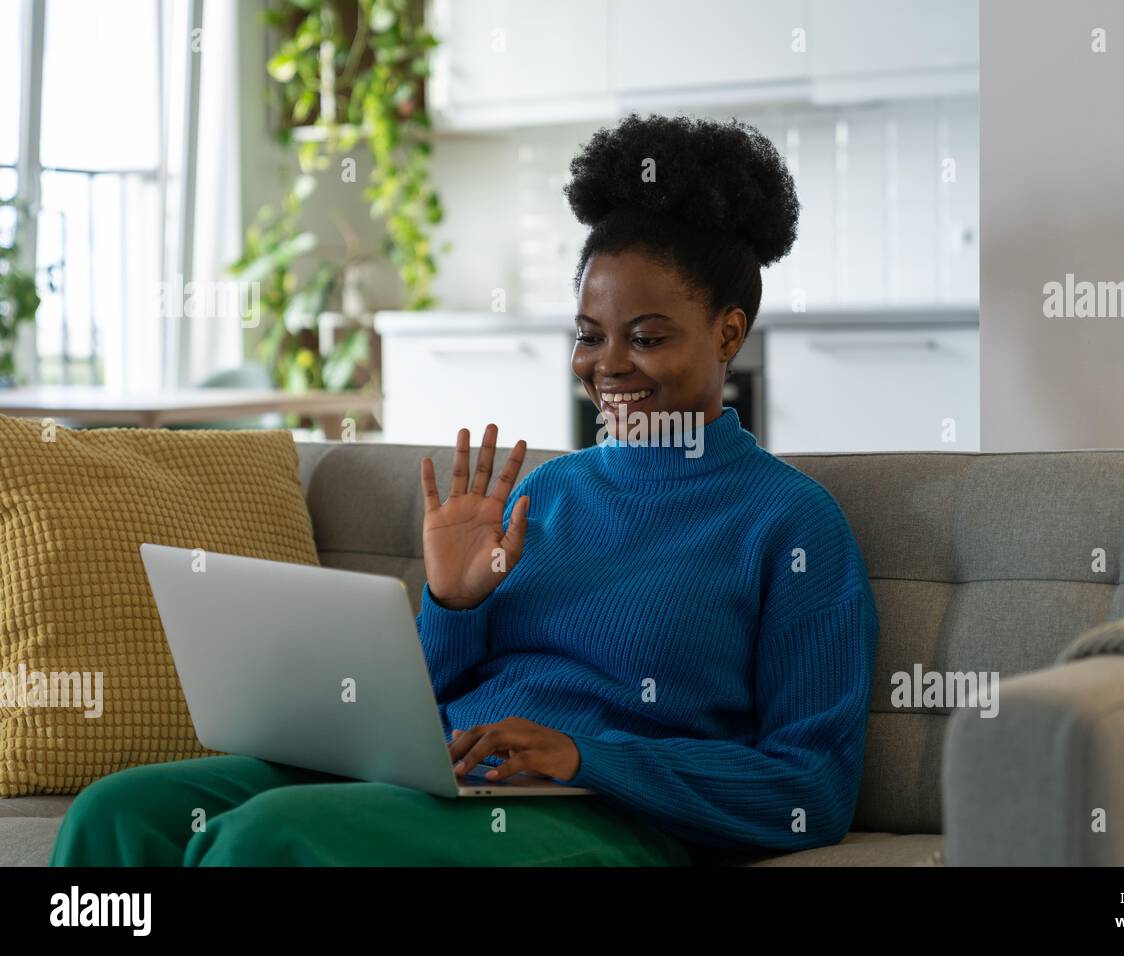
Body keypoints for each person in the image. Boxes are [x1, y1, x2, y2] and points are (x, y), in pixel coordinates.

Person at [49, 113, 879, 866]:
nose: (609, 365)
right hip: (449, 775)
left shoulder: (790, 523)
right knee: (123, 812)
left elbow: (810, 787)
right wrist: (451, 603)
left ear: (729, 330)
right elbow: (416, 703)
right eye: (590, 336)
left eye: (648, 337)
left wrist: (583, 756)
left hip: (602, 816)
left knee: (272, 841)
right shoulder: (547, 494)